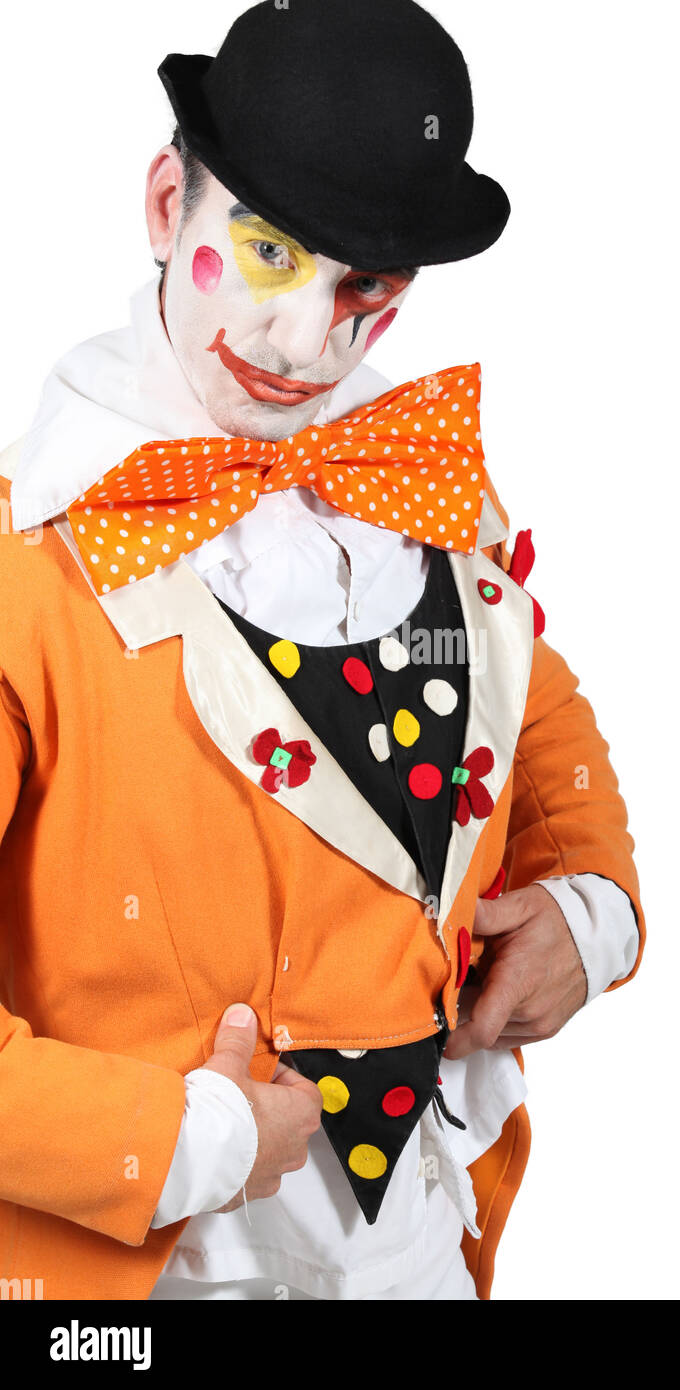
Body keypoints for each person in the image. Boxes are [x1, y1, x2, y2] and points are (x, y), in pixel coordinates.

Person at [0, 0, 645, 1301]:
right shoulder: (28, 572)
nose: (311, 342)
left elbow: (532, 698)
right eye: (269, 253)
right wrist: (169, 1135)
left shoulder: (420, 483)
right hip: (137, 1279)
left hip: (415, 1237)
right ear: (166, 199)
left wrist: (593, 905)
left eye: (367, 285)